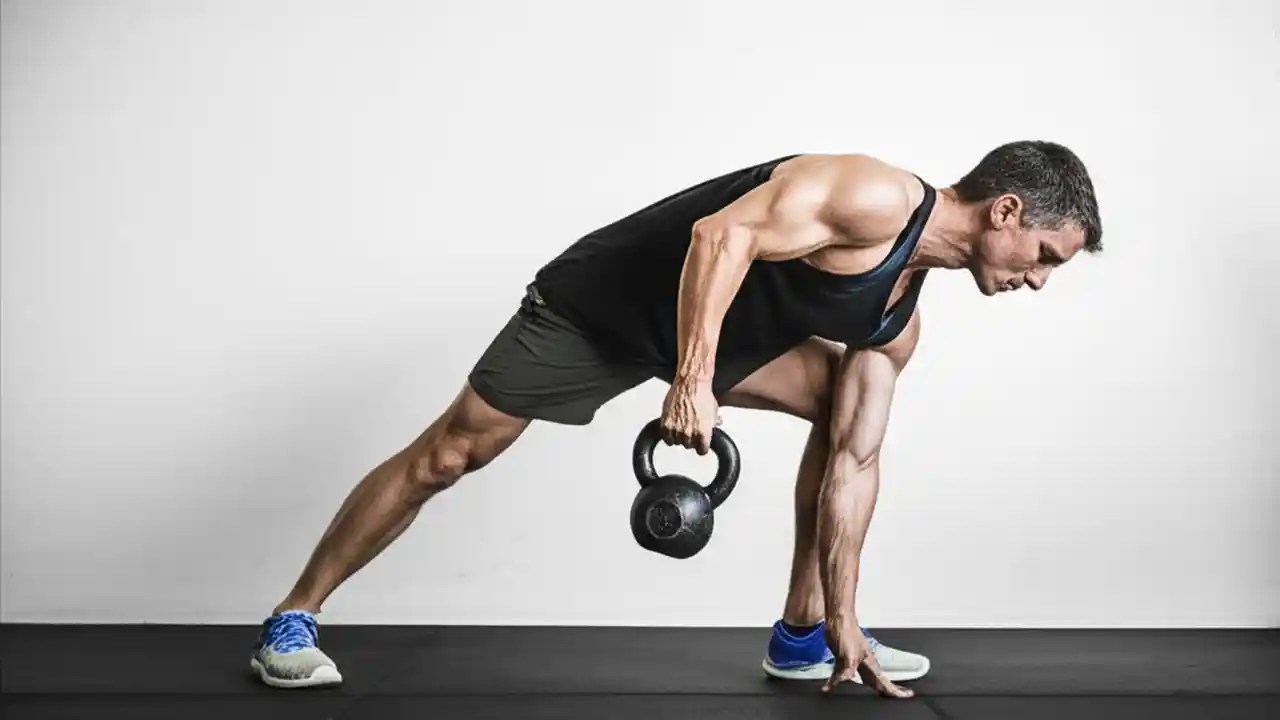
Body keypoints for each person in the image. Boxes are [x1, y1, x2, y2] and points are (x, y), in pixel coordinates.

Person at [249, 141, 1102, 699]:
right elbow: (718, 239)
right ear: (1007, 213)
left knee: (846, 407)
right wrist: (692, 383)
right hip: (604, 309)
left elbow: (856, 461)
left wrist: (848, 612)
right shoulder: (872, 194)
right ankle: (293, 618)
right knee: (450, 454)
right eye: (1045, 259)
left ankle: (804, 634)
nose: (1038, 280)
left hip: (719, 337)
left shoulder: (896, 319)